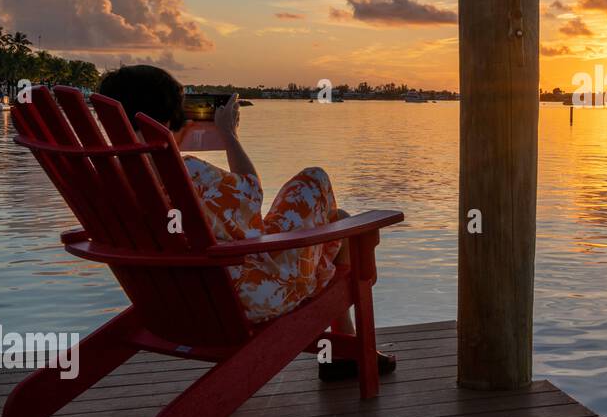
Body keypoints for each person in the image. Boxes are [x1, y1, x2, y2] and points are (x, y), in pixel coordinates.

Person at [97, 64, 394, 380]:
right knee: (318, 185)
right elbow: (250, 196)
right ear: (169, 117)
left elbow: (235, 220)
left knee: (339, 221)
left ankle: (342, 350)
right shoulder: (188, 174)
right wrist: (228, 135)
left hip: (173, 300)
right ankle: (346, 349)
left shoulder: (109, 179)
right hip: (245, 297)